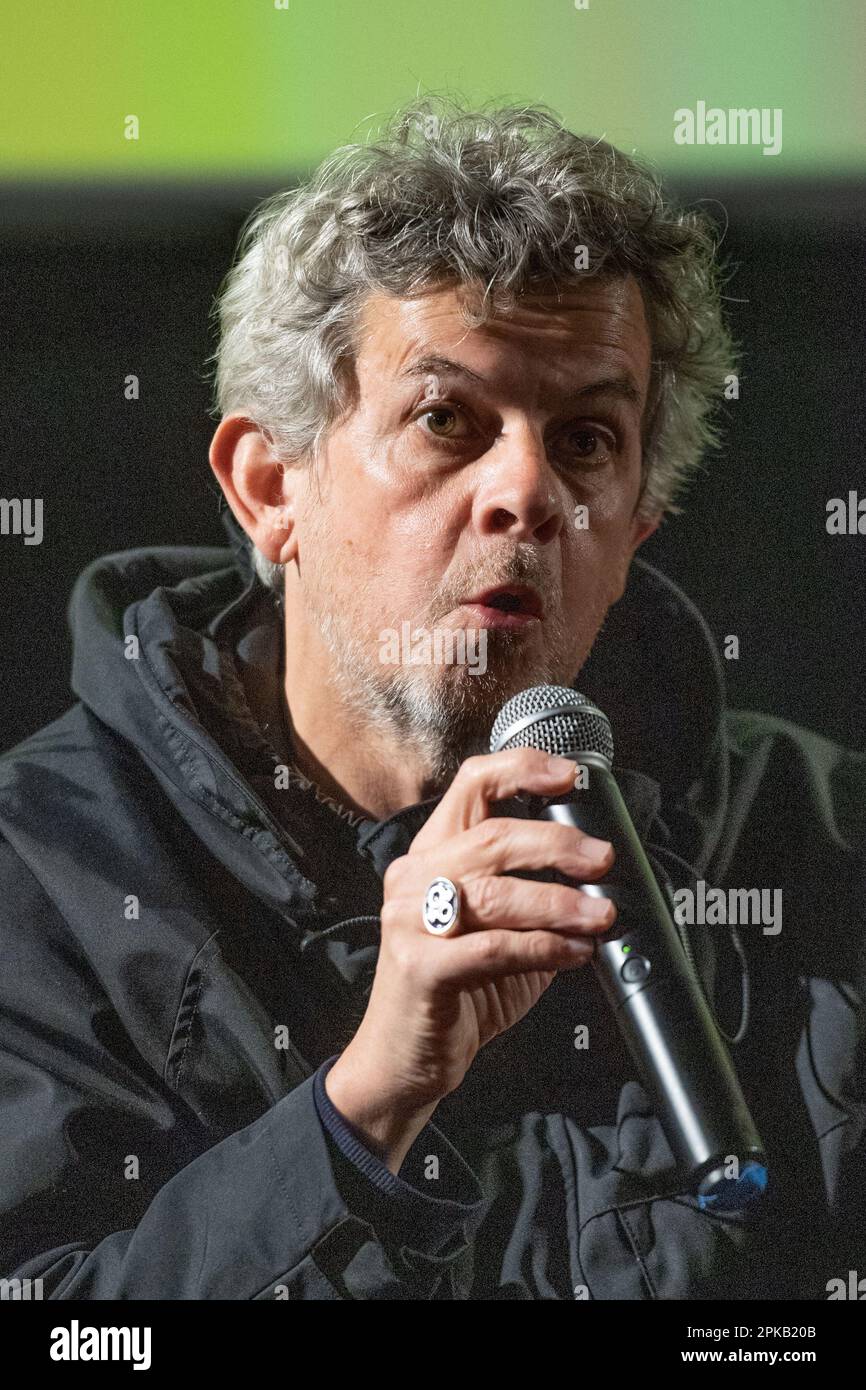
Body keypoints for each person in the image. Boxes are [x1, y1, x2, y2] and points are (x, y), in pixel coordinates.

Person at [1, 100, 863, 1301]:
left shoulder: (822, 844)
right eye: (446, 418)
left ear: (632, 531)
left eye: (585, 441)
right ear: (268, 489)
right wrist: (364, 1108)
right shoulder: (39, 879)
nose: (524, 488)